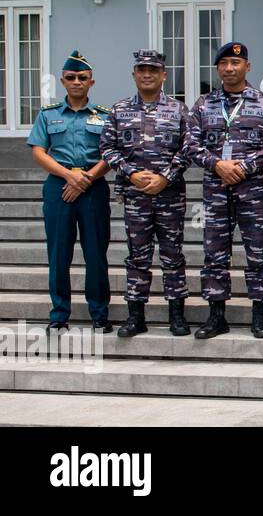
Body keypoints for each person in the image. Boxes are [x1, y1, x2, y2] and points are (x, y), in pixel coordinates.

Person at [184, 41, 263, 339]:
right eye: (223, 63)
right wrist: (217, 165)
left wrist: (243, 168)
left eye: (235, 63)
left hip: (252, 191)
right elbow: (190, 145)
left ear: (247, 66)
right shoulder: (203, 104)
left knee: (259, 251)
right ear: (217, 69)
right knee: (214, 253)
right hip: (215, 190)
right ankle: (216, 316)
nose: (229, 68)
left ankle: (260, 315)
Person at [99, 49, 191, 337]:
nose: (147, 75)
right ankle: (135, 316)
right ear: (134, 75)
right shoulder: (119, 110)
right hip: (135, 196)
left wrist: (165, 177)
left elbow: (189, 148)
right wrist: (131, 174)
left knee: (172, 255)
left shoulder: (179, 110)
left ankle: (177, 316)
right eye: (142, 70)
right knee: (138, 256)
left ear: (164, 76)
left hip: (169, 195)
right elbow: (107, 148)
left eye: (153, 70)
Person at [28, 50, 113, 333]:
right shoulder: (48, 114)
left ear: (92, 82)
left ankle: (99, 313)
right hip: (59, 186)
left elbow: (111, 153)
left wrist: (85, 179)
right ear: (63, 81)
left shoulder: (105, 116)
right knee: (59, 254)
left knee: (96, 253)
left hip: (93, 186)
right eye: (71, 77)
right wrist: (69, 176)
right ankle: (59, 314)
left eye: (82, 77)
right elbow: (39, 151)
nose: (77, 82)